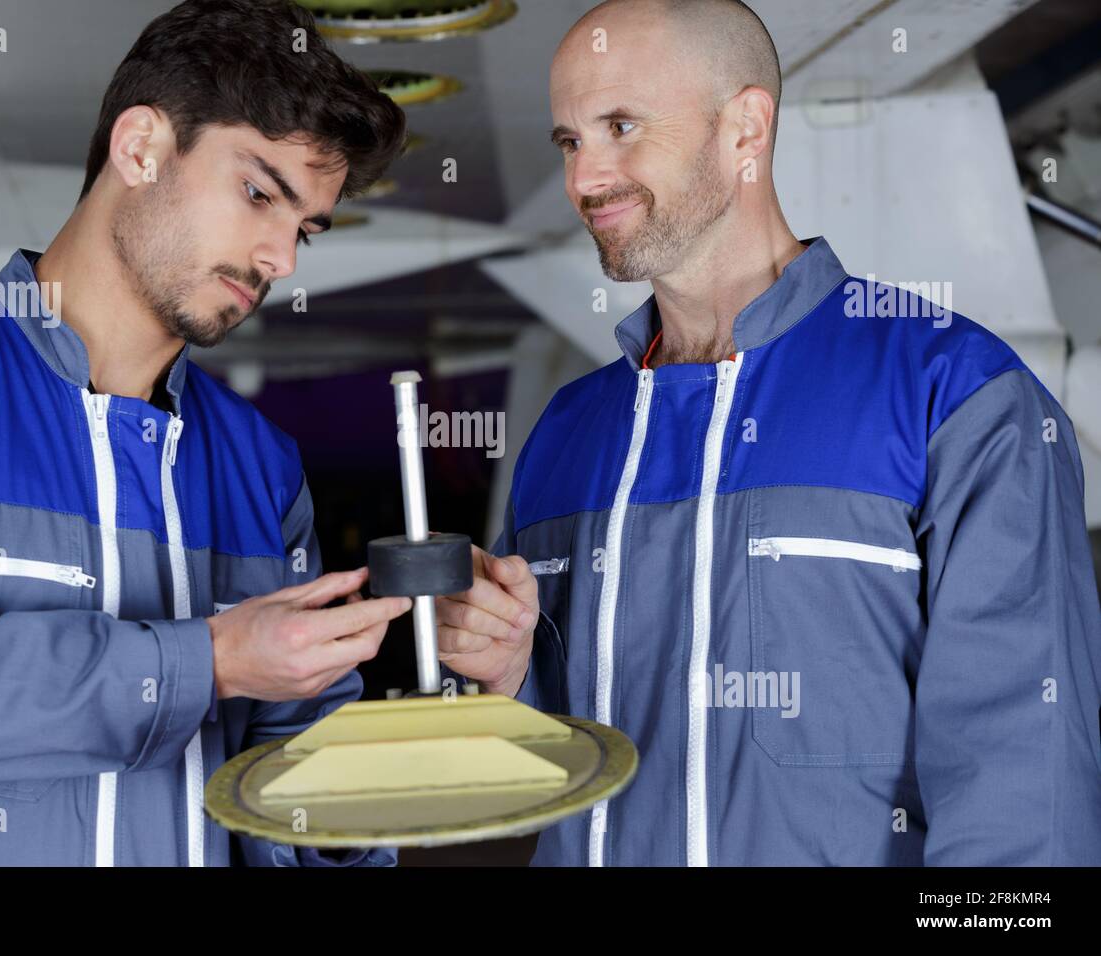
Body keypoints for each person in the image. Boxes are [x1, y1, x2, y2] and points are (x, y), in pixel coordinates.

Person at [437, 0, 1101, 865]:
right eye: (570, 141)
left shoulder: (958, 395)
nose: (585, 179)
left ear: (745, 128)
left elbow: (1024, 791)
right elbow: (543, 768)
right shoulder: (570, 429)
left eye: (622, 126)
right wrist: (506, 679)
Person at [0, 0, 409, 866]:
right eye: (257, 194)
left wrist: (449, 711)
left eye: (305, 227)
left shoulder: (260, 464)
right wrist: (208, 661)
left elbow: (292, 794)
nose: (283, 258)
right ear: (140, 147)